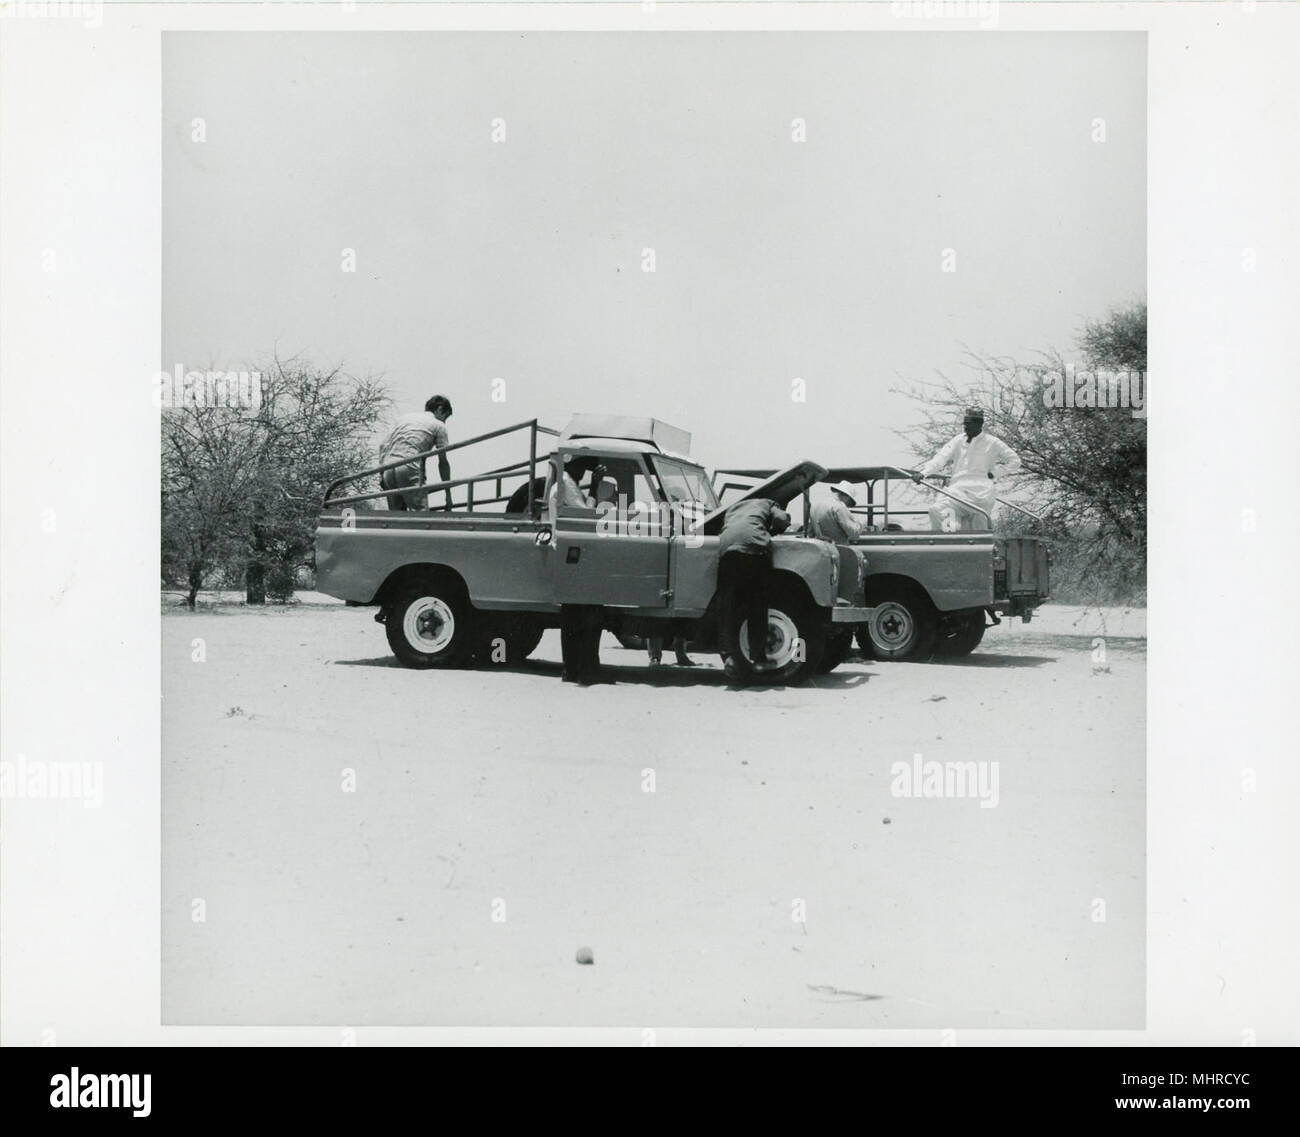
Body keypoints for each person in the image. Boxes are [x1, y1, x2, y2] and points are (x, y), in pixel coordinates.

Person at [716, 497, 791, 678]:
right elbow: (782, 519)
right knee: (757, 606)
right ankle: (758, 659)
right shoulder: (769, 503)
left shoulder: (733, 507)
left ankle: (729, 657)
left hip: (727, 550)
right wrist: (771, 531)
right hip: (754, 551)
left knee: (728, 607)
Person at [913, 406, 1020, 532]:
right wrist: (923, 473)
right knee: (937, 510)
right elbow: (941, 457)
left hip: (981, 495)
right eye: (965, 424)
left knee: (978, 532)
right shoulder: (958, 440)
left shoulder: (993, 442)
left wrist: (995, 473)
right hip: (956, 492)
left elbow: (1015, 461)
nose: (965, 427)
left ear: (979, 424)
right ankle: (949, 540)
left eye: (969, 424)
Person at [379, 395, 453, 510]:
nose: (444, 421)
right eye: (445, 417)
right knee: (420, 514)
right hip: (409, 467)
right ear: (440, 409)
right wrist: (448, 495)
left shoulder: (404, 418)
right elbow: (443, 463)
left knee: (396, 516)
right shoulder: (438, 425)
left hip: (388, 467)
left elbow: (383, 445)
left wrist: (381, 475)